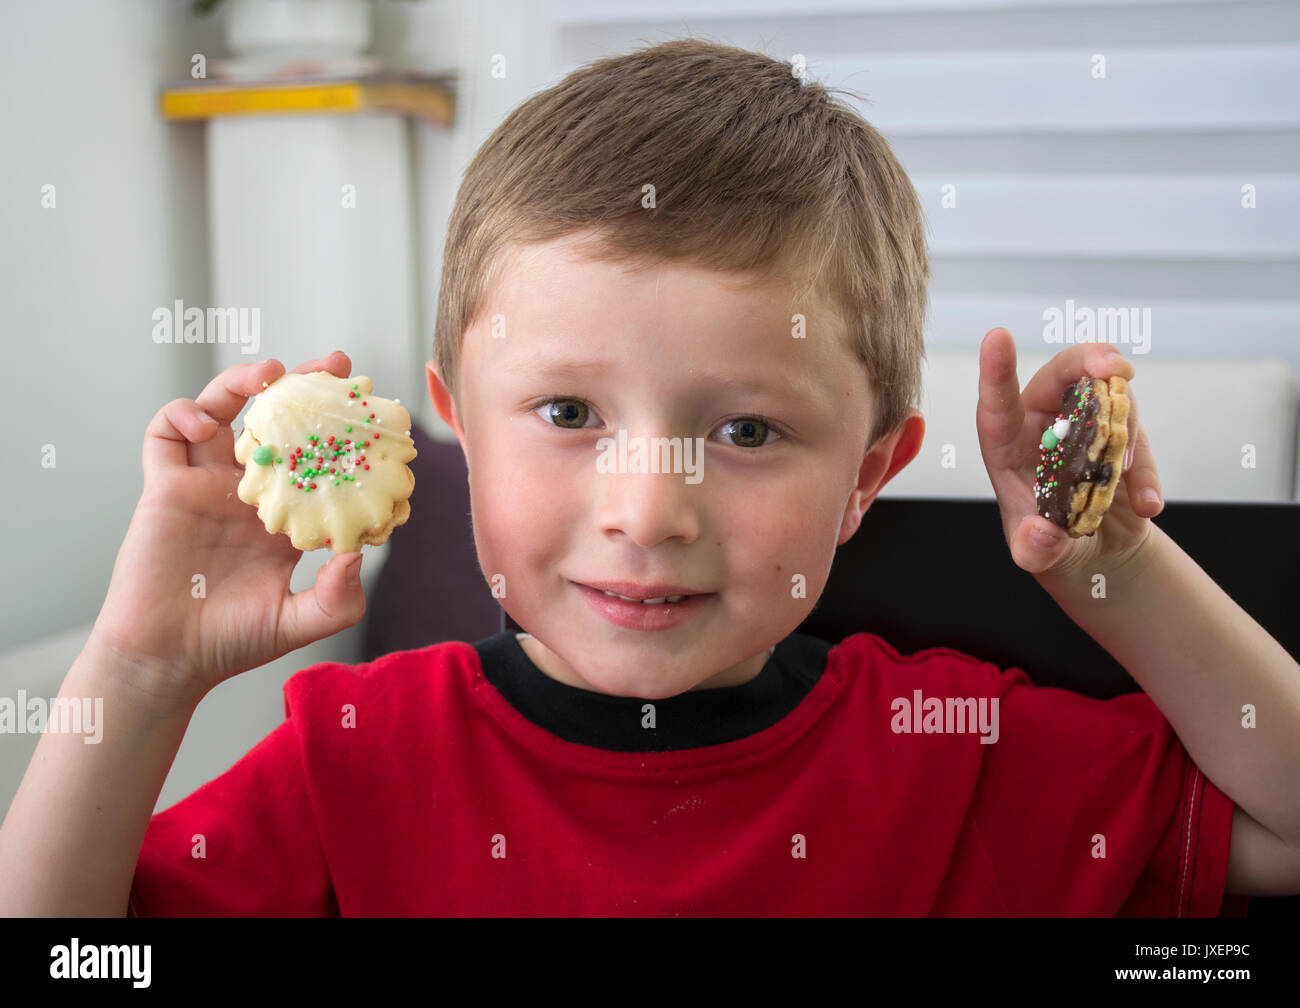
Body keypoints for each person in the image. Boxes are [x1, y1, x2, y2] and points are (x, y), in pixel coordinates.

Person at [3, 38, 1298, 916]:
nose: (646, 510)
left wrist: (1112, 569)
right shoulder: (356, 760)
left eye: (744, 433)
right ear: (455, 432)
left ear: (868, 477)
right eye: (568, 411)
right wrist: (138, 668)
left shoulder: (956, 754)